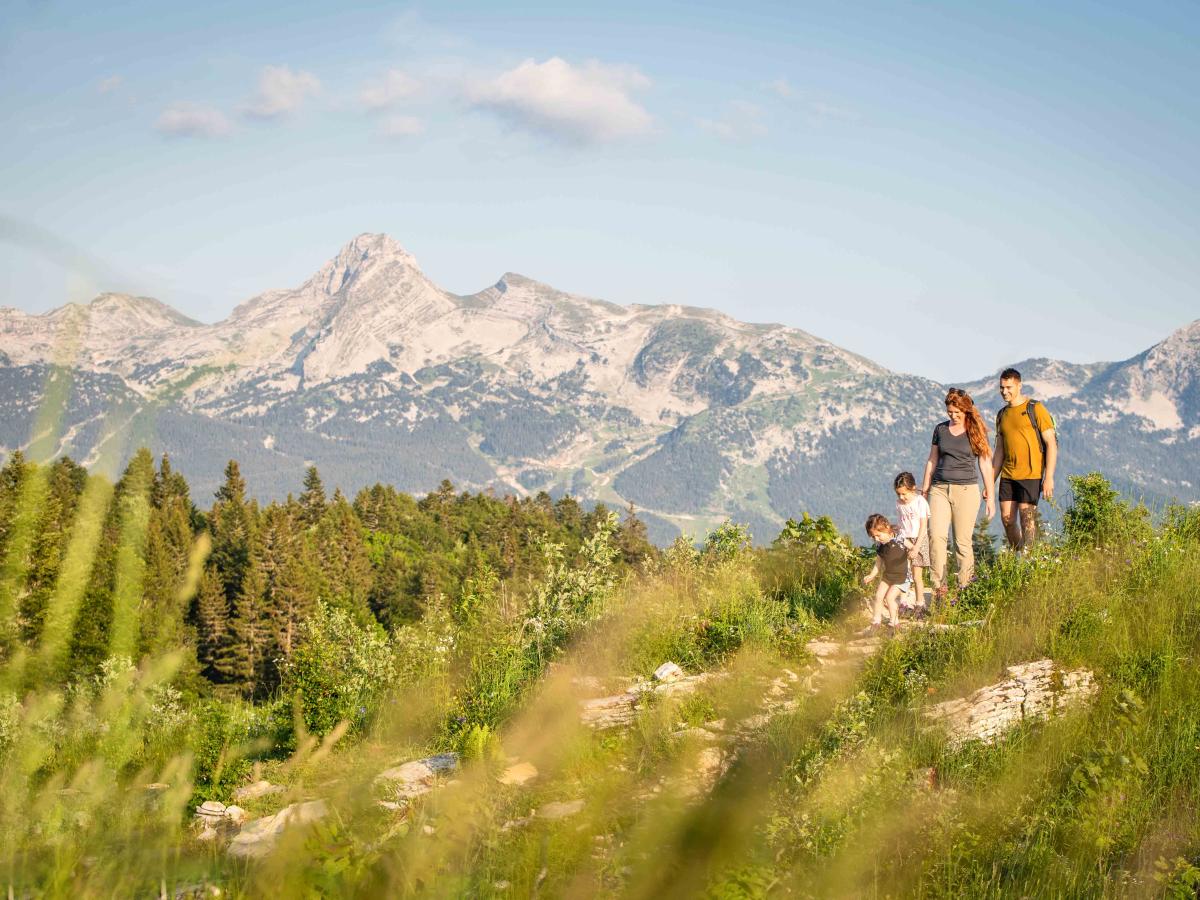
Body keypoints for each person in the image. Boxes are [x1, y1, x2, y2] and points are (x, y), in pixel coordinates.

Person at [920, 388, 995, 602]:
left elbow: (985, 462)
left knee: (962, 541)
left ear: (965, 410)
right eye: (949, 412)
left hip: (966, 490)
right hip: (939, 489)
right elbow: (932, 460)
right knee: (936, 537)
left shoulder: (975, 429)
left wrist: (990, 494)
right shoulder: (940, 430)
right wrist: (924, 489)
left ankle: (965, 588)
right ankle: (939, 589)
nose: (953, 416)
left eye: (957, 412)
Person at [991, 367, 1057, 551]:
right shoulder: (1002, 415)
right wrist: (990, 482)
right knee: (1007, 519)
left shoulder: (1035, 409)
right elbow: (999, 452)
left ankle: (1031, 559)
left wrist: (1049, 477)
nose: (1005, 391)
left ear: (1019, 385)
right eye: (1002, 387)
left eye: (1009, 387)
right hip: (1008, 475)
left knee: (1027, 519)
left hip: (1031, 474)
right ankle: (1018, 556)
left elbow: (1051, 443)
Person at [862, 513, 907, 633]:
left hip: (902, 576)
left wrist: (914, 551)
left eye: (878, 535)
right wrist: (872, 575)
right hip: (888, 576)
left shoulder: (899, 539)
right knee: (878, 596)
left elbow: (912, 547)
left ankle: (894, 623)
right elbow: (878, 563)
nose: (876, 539)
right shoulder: (880, 546)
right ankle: (876, 621)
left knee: (890, 598)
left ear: (886, 527)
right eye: (873, 536)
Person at [894, 471, 930, 616]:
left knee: (916, 576)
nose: (902, 497)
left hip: (918, 539)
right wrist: (895, 529)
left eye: (904, 494)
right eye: (899, 494)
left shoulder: (920, 502)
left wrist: (916, 547)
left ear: (913, 488)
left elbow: (923, 526)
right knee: (903, 573)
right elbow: (902, 522)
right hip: (904, 539)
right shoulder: (899, 504)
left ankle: (920, 603)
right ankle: (903, 603)